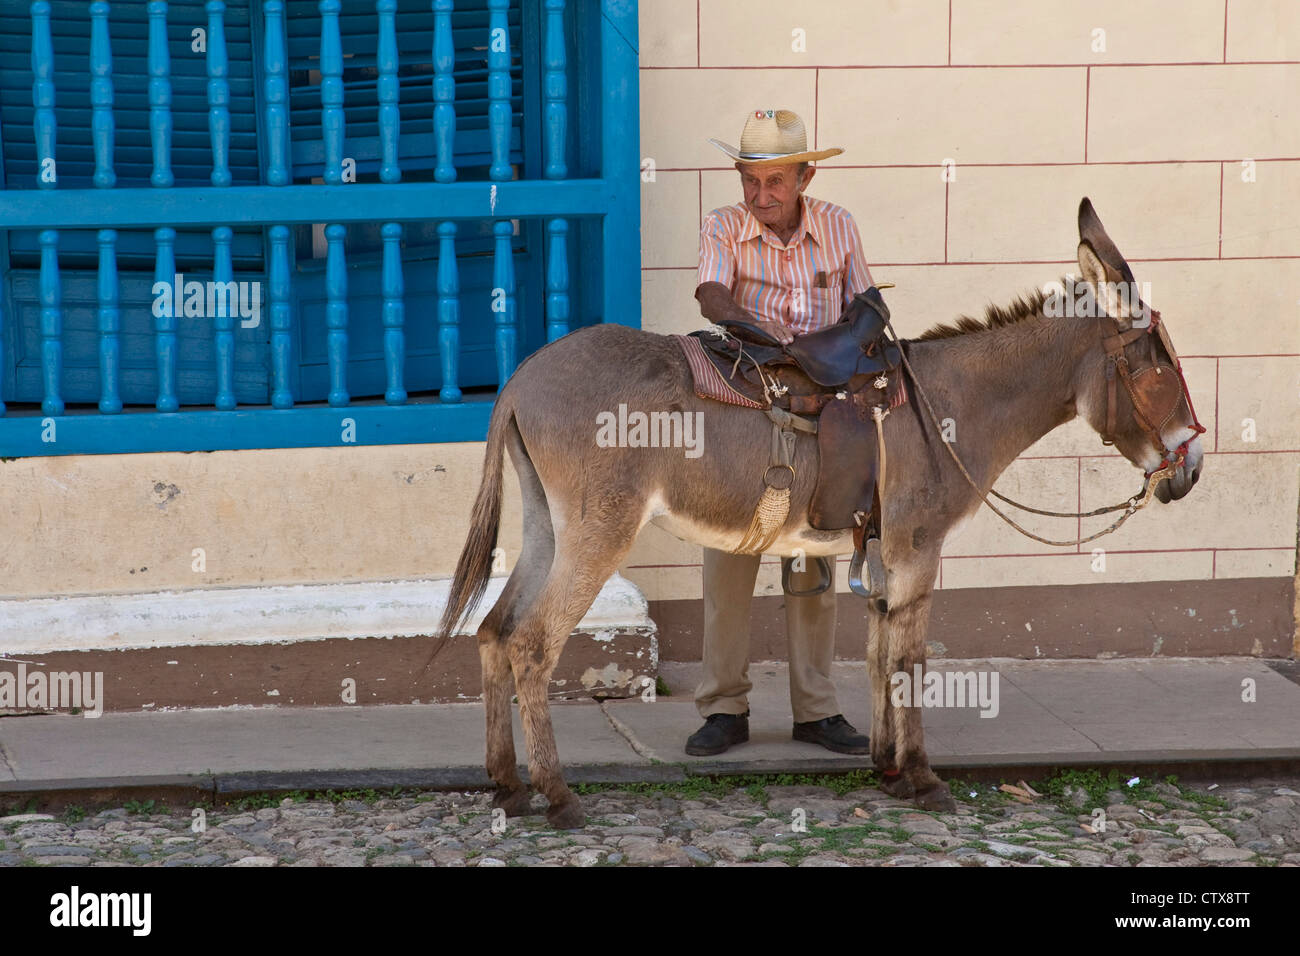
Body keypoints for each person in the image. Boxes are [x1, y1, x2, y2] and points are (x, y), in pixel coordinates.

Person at [687, 108, 874, 756]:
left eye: (776, 182)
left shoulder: (839, 227)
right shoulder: (724, 225)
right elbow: (710, 294)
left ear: (805, 175)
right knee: (729, 559)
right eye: (750, 180)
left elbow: (868, 306)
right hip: (743, 401)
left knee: (813, 558)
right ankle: (724, 708)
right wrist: (768, 337)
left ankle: (816, 710)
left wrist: (858, 346)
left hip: (822, 409)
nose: (761, 196)